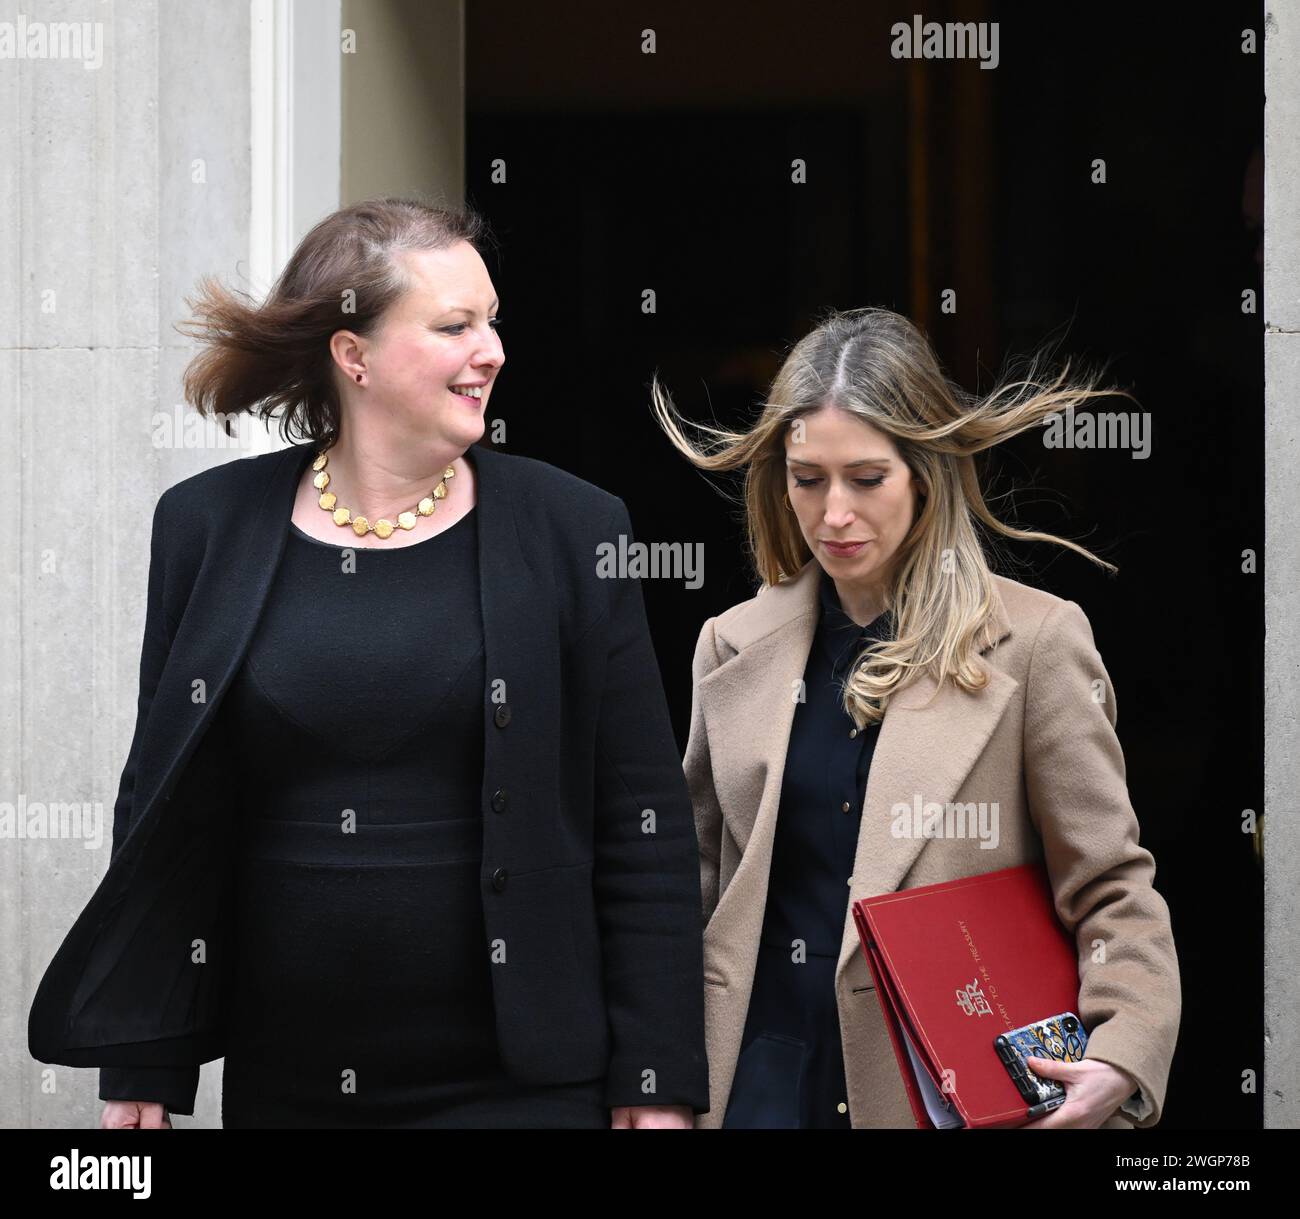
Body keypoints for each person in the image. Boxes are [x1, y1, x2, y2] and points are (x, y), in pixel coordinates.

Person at [27, 197, 708, 1129]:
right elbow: (164, 805)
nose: (493, 349)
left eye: (493, 321)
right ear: (354, 356)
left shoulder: (576, 530)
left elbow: (642, 824)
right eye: (455, 325)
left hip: (522, 1088)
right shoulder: (207, 529)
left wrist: (656, 1079)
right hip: (292, 1082)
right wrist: (140, 1059)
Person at [652, 306, 1181, 1129]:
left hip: (945, 1098)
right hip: (759, 1085)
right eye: (807, 478)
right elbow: (688, 885)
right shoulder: (729, 645)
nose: (833, 514)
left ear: (926, 473)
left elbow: (1112, 885)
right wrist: (656, 1083)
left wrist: (1123, 1050)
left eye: (867, 479)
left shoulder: (1035, 643)